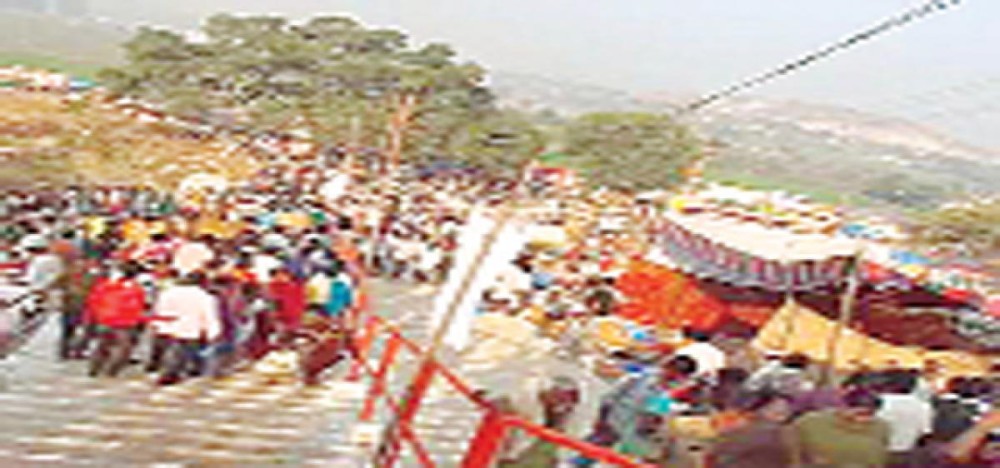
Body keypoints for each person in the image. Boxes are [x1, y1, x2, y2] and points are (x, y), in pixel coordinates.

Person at [571, 355, 700, 466]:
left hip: (633, 439)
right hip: (612, 425)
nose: (673, 376)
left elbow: (659, 418)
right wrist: (601, 421)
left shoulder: (672, 394)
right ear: (667, 366)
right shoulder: (639, 378)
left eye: (680, 375)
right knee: (585, 455)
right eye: (673, 371)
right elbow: (609, 398)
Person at [786, 387, 890, 468]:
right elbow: (794, 455)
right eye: (860, 413)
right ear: (843, 406)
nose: (864, 419)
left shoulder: (881, 427)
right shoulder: (809, 423)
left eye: (871, 414)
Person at [151, 271, 221, 385]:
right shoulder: (204, 297)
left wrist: (158, 325)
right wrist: (212, 332)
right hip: (191, 328)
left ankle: (168, 372)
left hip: (169, 326)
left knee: (172, 351)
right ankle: (175, 373)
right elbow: (209, 315)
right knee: (184, 353)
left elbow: (160, 309)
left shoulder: (169, 292)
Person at [86, 261, 147, 377]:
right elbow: (138, 306)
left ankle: (94, 370)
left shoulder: (105, 284)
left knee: (102, 345)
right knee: (124, 348)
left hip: (104, 319)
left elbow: (94, 300)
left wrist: (94, 316)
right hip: (124, 322)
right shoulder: (136, 289)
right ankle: (110, 372)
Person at [706, 390, 795, 468]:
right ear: (759, 409)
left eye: (786, 408)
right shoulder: (744, 429)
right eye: (774, 407)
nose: (783, 410)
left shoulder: (784, 431)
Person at [875, 369, 934, 466]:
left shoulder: (879, 401)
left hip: (879, 451)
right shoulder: (923, 406)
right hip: (906, 453)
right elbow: (925, 433)